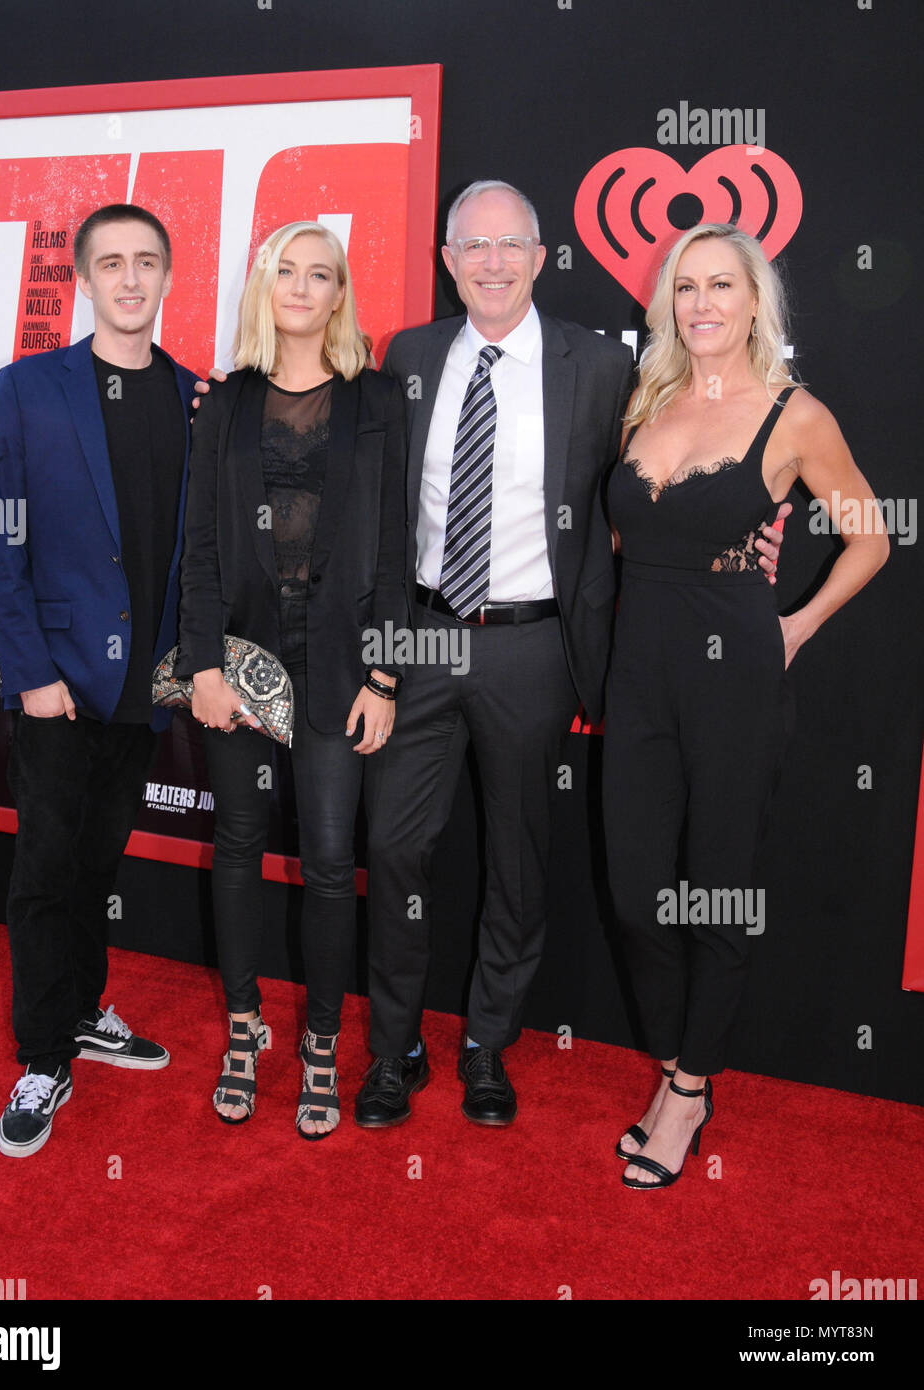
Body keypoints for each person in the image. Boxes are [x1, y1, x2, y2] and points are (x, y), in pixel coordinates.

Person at [355, 181, 776, 1129]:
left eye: (512, 245)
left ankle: (486, 1047)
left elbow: (659, 485)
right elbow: (380, 513)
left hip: (535, 644)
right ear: (446, 260)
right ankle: (394, 1050)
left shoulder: (596, 366)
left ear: (541, 258)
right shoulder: (409, 355)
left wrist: (746, 530)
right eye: (474, 246)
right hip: (420, 636)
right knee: (393, 846)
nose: (493, 263)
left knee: (517, 857)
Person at [603, 222, 889, 1189]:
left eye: (722, 286)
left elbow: (871, 537)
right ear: (668, 303)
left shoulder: (793, 414)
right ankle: (679, 1060)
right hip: (634, 675)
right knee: (639, 895)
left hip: (732, 682)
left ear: (755, 300)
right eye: (686, 288)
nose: (703, 305)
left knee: (716, 889)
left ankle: (687, 1088)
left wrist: (797, 624)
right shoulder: (646, 396)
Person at [175, 221, 407, 1139]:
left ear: (340, 293)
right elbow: (197, 548)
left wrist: (383, 675)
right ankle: (243, 1028)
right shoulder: (224, 401)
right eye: (287, 272)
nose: (303, 288)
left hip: (340, 656)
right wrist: (199, 664)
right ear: (263, 286)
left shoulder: (377, 398)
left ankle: (318, 1039)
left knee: (326, 861)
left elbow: (394, 548)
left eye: (322, 275)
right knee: (235, 842)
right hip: (240, 651)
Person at [0, 204, 197, 1157]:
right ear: (83, 278)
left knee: (96, 866)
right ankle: (41, 1053)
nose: (131, 279)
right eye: (111, 263)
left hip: (143, 688)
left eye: (146, 261)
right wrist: (27, 672)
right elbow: (0, 535)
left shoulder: (196, 397)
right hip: (55, 685)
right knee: (43, 872)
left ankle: (83, 1011)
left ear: (167, 275)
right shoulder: (27, 387)